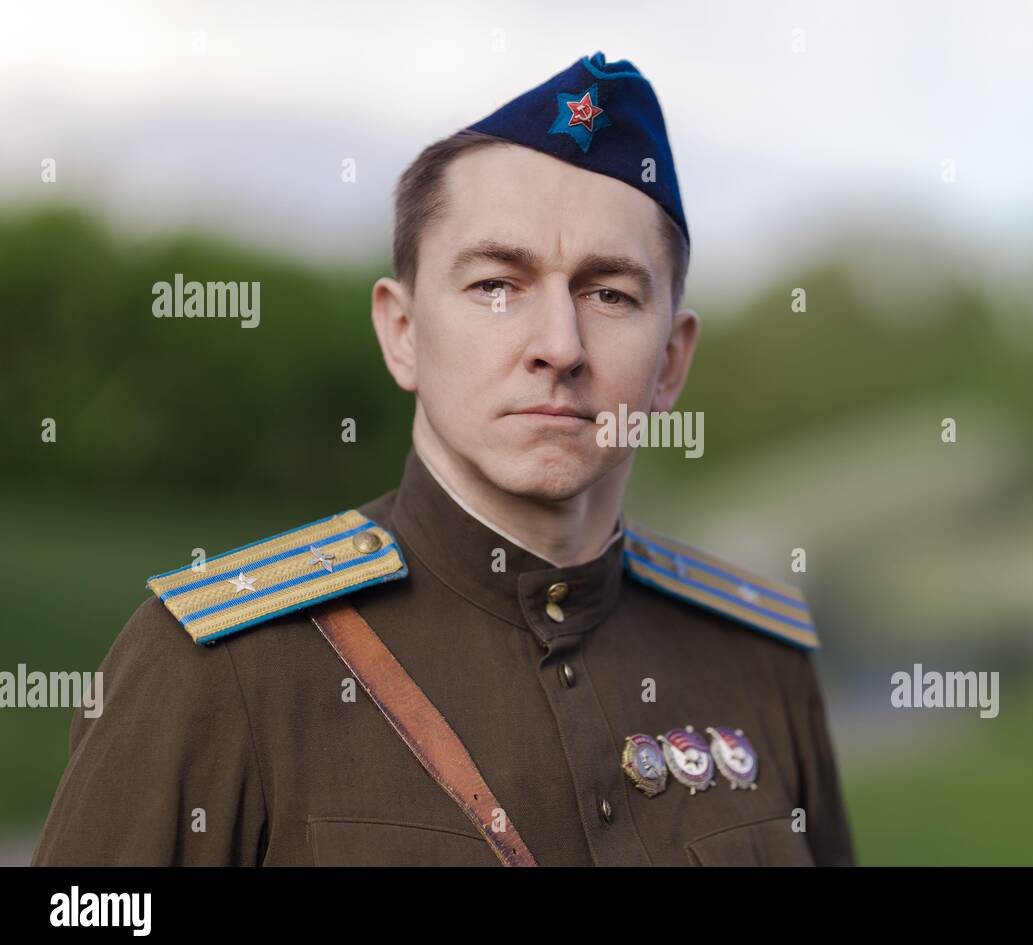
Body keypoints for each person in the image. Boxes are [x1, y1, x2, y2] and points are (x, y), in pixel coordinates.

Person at [31, 50, 856, 866]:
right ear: (403, 332)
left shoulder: (759, 661)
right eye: (497, 285)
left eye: (611, 294)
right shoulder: (220, 670)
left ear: (671, 361)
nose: (559, 347)